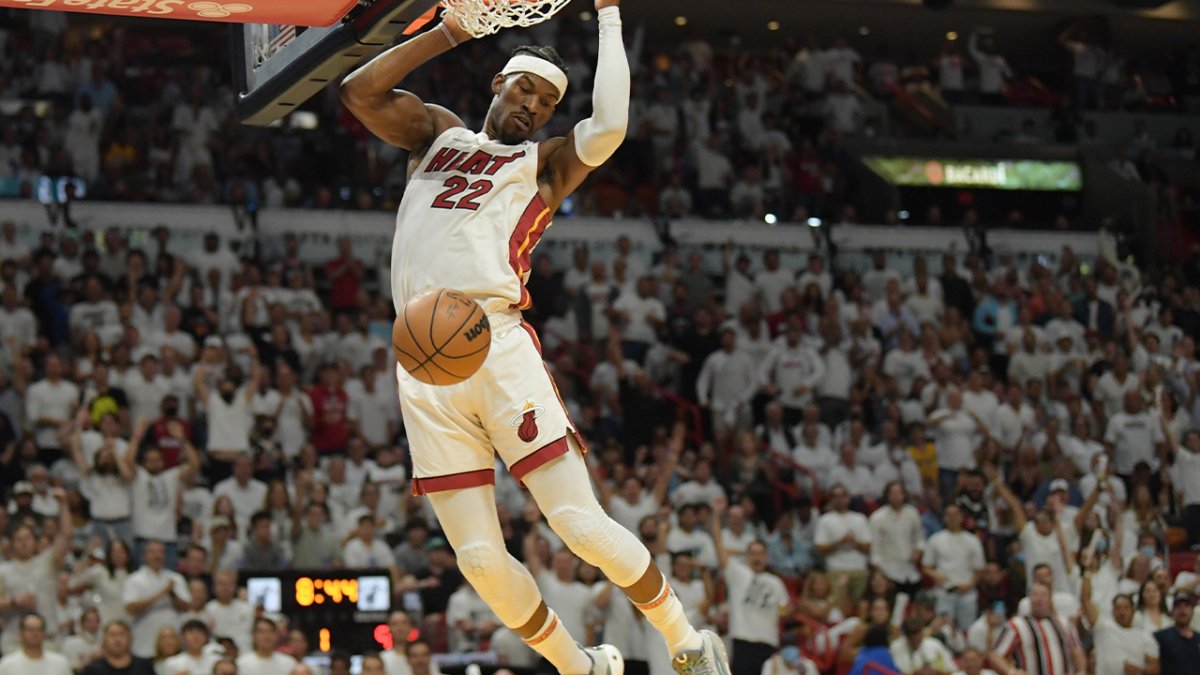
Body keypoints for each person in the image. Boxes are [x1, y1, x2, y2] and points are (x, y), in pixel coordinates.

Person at [340, 1, 729, 671]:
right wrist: (450, 33)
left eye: (546, 101)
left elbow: (608, 125)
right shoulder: (436, 134)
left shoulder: (543, 165)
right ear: (498, 82)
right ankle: (581, 666)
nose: (532, 105)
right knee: (481, 560)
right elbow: (357, 91)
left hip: (494, 348)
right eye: (524, 87)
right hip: (422, 369)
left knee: (576, 525)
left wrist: (608, 14)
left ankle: (686, 640)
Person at [988, 583, 1085, 675]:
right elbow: (995, 656)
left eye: (1043, 595)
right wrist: (1011, 672)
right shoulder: (1016, 625)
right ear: (1029, 599)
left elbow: (1076, 649)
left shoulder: (1064, 623)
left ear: (1050, 599)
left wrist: (1081, 671)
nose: (1039, 599)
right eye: (1035, 595)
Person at [1079, 574, 1158, 675]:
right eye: (1118, 608)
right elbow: (1085, 600)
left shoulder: (1143, 636)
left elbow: (1156, 666)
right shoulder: (1103, 628)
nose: (1122, 612)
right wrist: (1087, 573)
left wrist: (1141, 671)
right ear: (1112, 612)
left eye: (1126, 608)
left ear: (1133, 611)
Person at [0, 613, 72, 675]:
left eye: (38, 629)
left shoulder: (60, 663)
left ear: (44, 634)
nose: (34, 633)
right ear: (21, 633)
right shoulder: (7, 664)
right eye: (29, 629)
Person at [81, 621, 156, 675]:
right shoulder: (93, 670)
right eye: (112, 635)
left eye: (121, 634)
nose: (117, 639)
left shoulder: (144, 666)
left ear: (130, 638)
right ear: (104, 640)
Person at [1154, 593, 1199, 675]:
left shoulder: (1198, 638)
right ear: (1172, 611)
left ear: (1192, 610)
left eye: (1186, 606)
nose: (1182, 610)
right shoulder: (1160, 637)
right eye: (1178, 607)